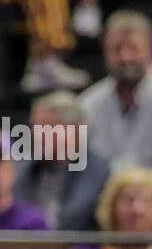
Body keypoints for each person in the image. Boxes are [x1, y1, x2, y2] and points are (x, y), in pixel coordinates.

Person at [79, 10, 152, 175]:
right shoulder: (87, 104)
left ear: (149, 50)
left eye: (133, 49)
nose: (125, 57)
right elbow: (81, 165)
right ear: (105, 52)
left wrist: (137, 188)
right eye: (117, 49)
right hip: (101, 197)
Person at [12, 89, 110, 230]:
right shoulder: (20, 169)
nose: (39, 136)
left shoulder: (100, 173)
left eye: (48, 128)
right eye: (35, 127)